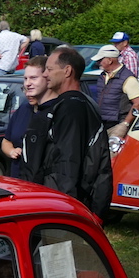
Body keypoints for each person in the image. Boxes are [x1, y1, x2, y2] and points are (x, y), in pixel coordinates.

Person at [21, 46, 111, 220]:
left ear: (67, 71)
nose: (45, 74)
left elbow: (68, 162)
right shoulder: (82, 103)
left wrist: (63, 210)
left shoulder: (71, 107)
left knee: (57, 249)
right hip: (63, 202)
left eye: (49, 69)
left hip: (61, 206)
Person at [1, 56, 52, 178]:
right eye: (25, 79)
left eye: (33, 78)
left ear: (48, 78)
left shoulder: (57, 112)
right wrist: (11, 151)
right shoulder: (23, 110)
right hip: (18, 181)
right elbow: (6, 141)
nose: (28, 83)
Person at [93, 44, 139, 135]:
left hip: (118, 125)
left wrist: (125, 124)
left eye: (101, 60)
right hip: (103, 124)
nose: (98, 63)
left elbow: (138, 103)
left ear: (110, 60)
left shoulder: (128, 78)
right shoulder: (102, 76)